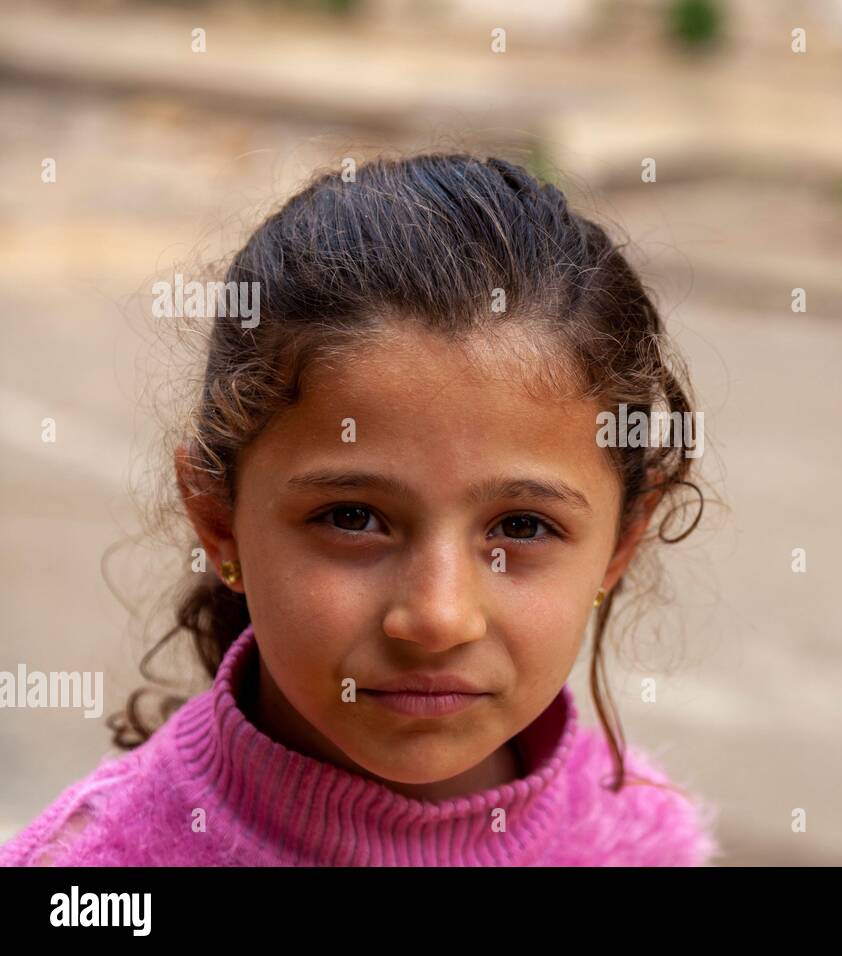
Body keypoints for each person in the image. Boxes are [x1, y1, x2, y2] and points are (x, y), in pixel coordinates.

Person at [0, 153, 720, 866]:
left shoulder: (643, 839)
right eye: (351, 517)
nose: (437, 618)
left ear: (622, 543)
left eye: (522, 527)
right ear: (219, 520)